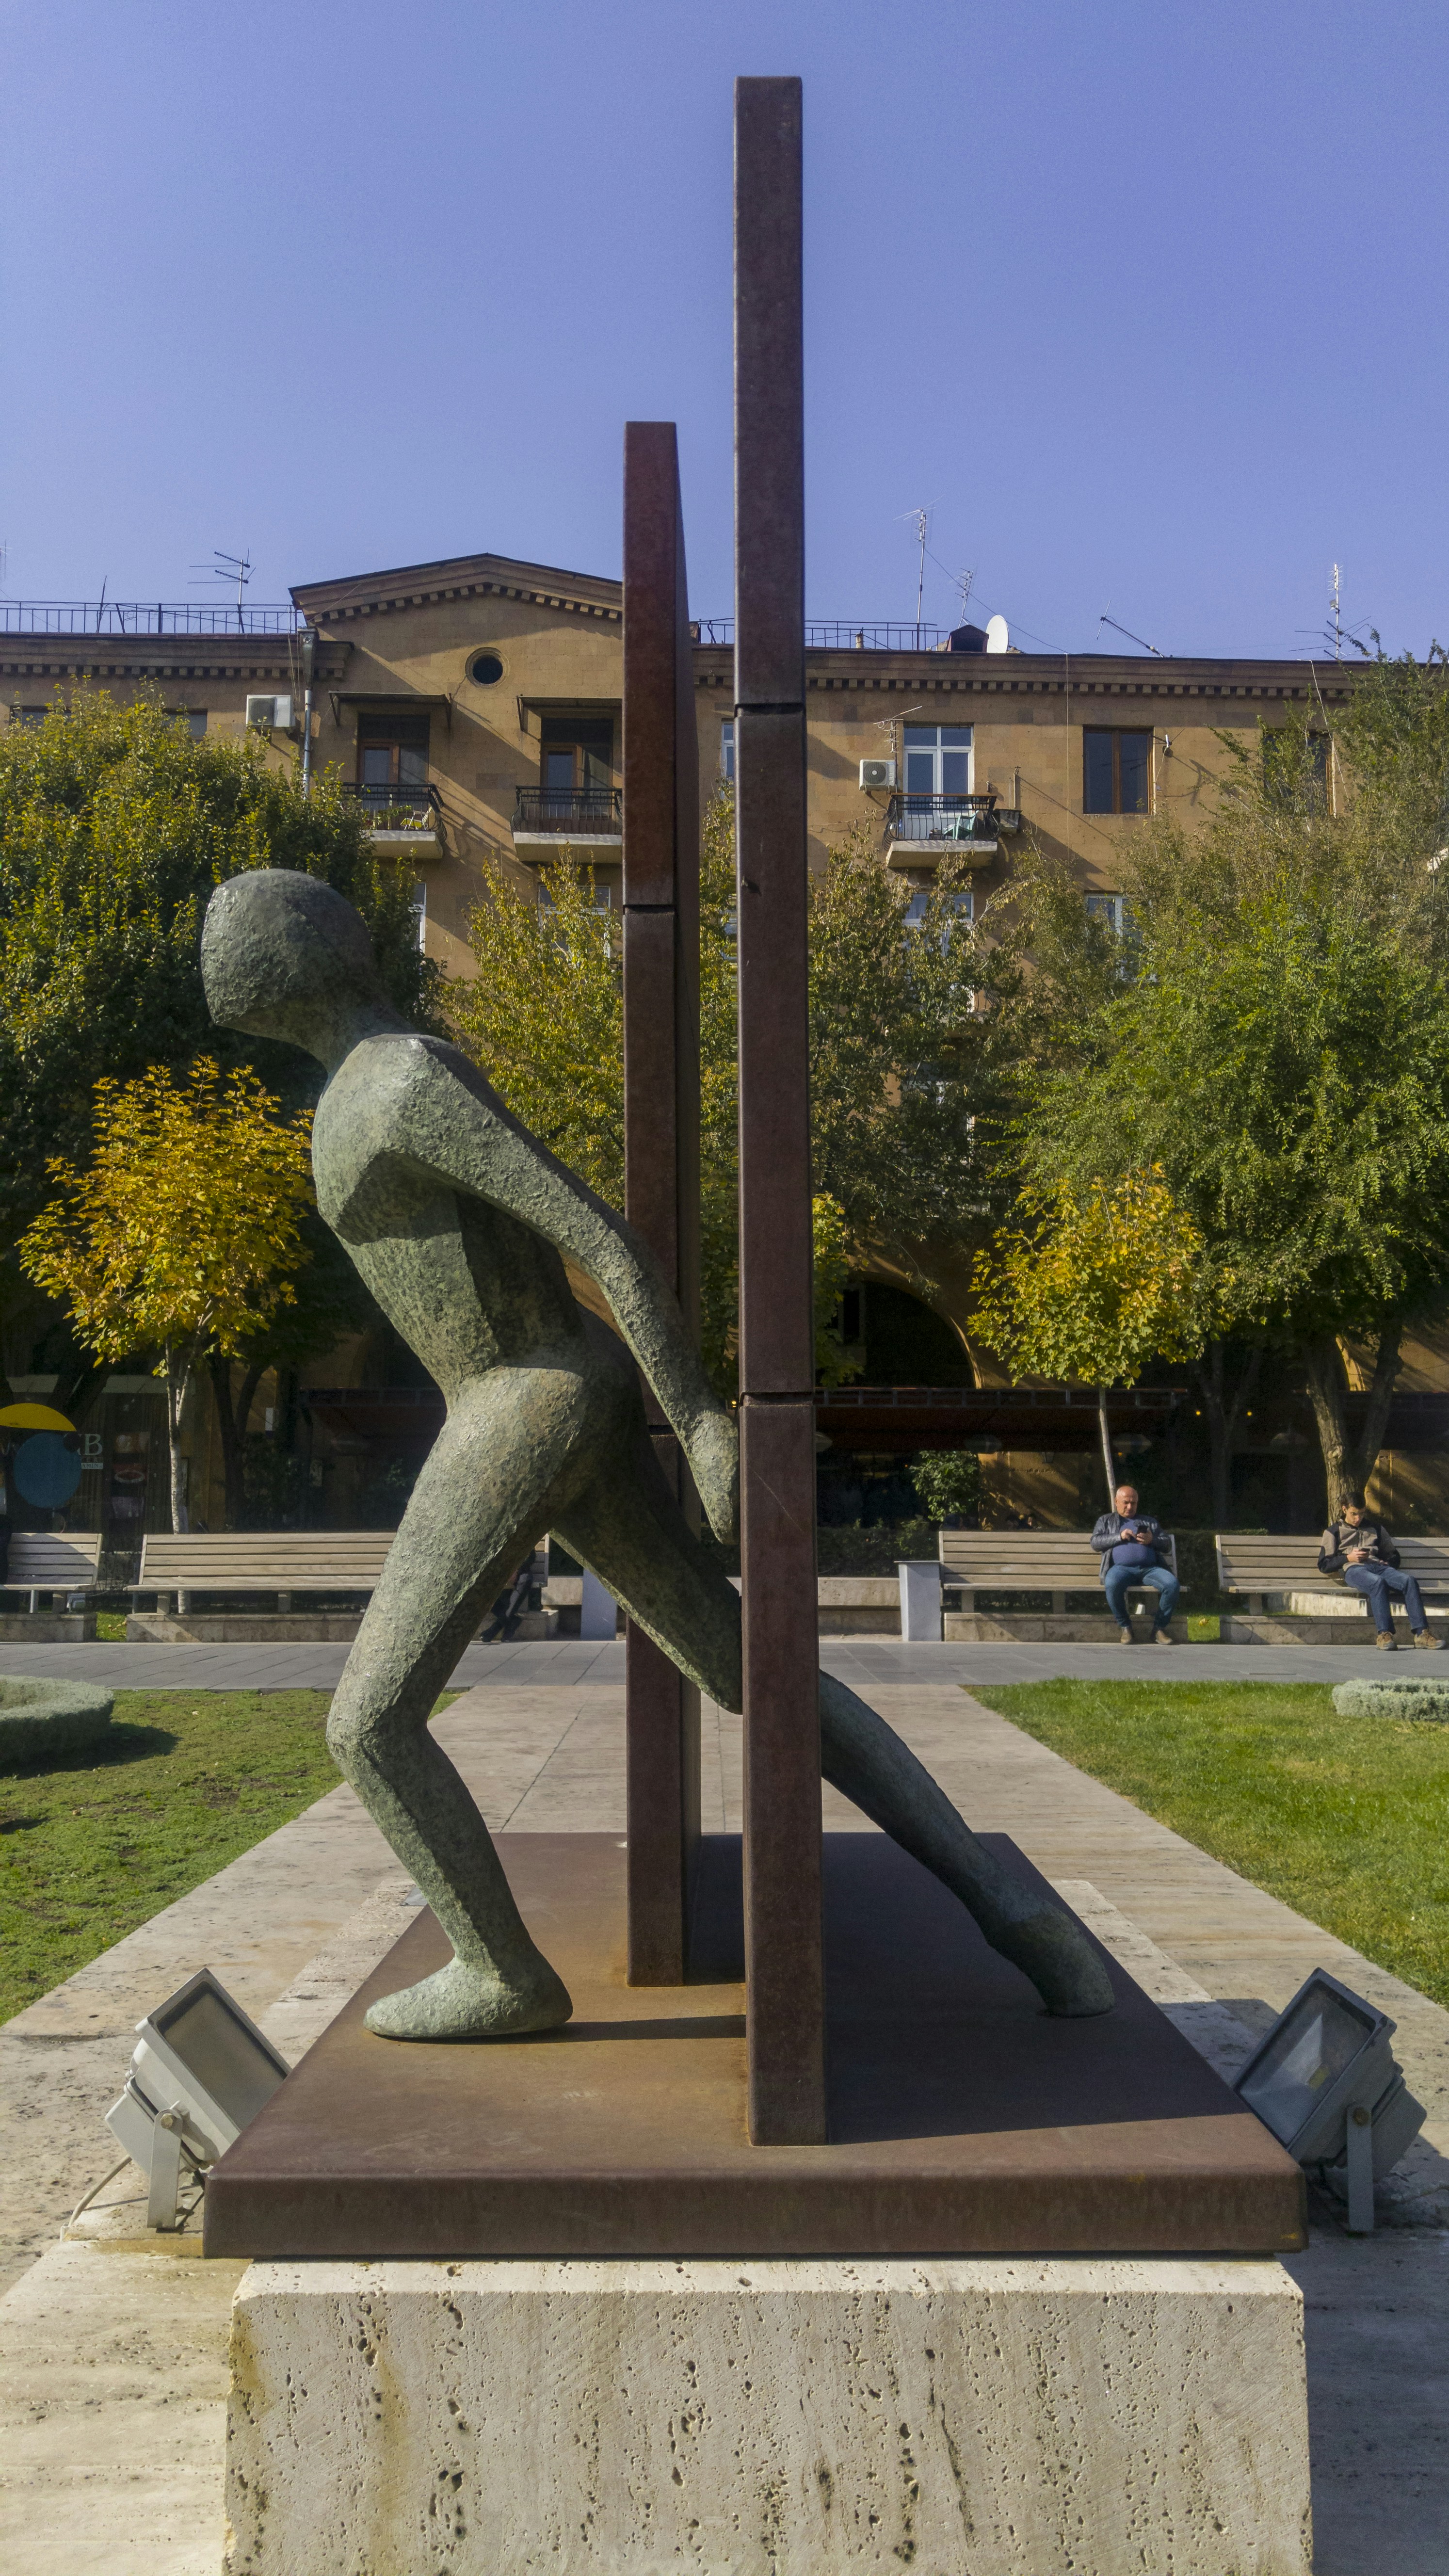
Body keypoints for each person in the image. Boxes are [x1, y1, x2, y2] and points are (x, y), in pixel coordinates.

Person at [201, 872, 1114, 2040]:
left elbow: (601, 1239)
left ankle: (502, 1973)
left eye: (233, 922)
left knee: (367, 1722)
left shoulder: (401, 1081)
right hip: (530, 1395)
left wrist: (700, 1420)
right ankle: (1022, 1919)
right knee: (749, 1669)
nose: (212, 943)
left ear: (303, 945)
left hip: (522, 1398)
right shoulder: (355, 1091)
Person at [1318, 1493, 1444, 1651]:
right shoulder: (1333, 1532)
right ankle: (1385, 1635)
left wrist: (1388, 1562)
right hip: (1353, 1569)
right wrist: (1348, 1558)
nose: (1358, 1518)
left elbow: (1394, 1555)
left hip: (1379, 1567)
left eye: (1362, 1513)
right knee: (1378, 1583)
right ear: (1345, 1509)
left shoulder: (1376, 1529)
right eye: (1354, 1514)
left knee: (1409, 1581)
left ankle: (1421, 1635)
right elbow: (1324, 1564)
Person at [1092, 1483, 1180, 1644]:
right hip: (1121, 1569)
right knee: (1112, 1584)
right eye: (1126, 1503)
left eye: (1134, 1503)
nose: (1130, 1507)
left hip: (1150, 1569)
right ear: (1116, 1502)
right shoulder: (1106, 1521)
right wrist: (1119, 1536)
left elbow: (1167, 1544)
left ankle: (1159, 1629)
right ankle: (1126, 1627)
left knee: (1172, 1584)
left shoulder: (1149, 1522)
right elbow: (1096, 1543)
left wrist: (1152, 1540)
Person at [480, 1558, 533, 1643]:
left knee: (524, 1582)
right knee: (484, 1596)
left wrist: (516, 1571)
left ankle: (495, 1629)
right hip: (498, 1573)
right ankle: (513, 1621)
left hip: (521, 1574)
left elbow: (530, 1558)